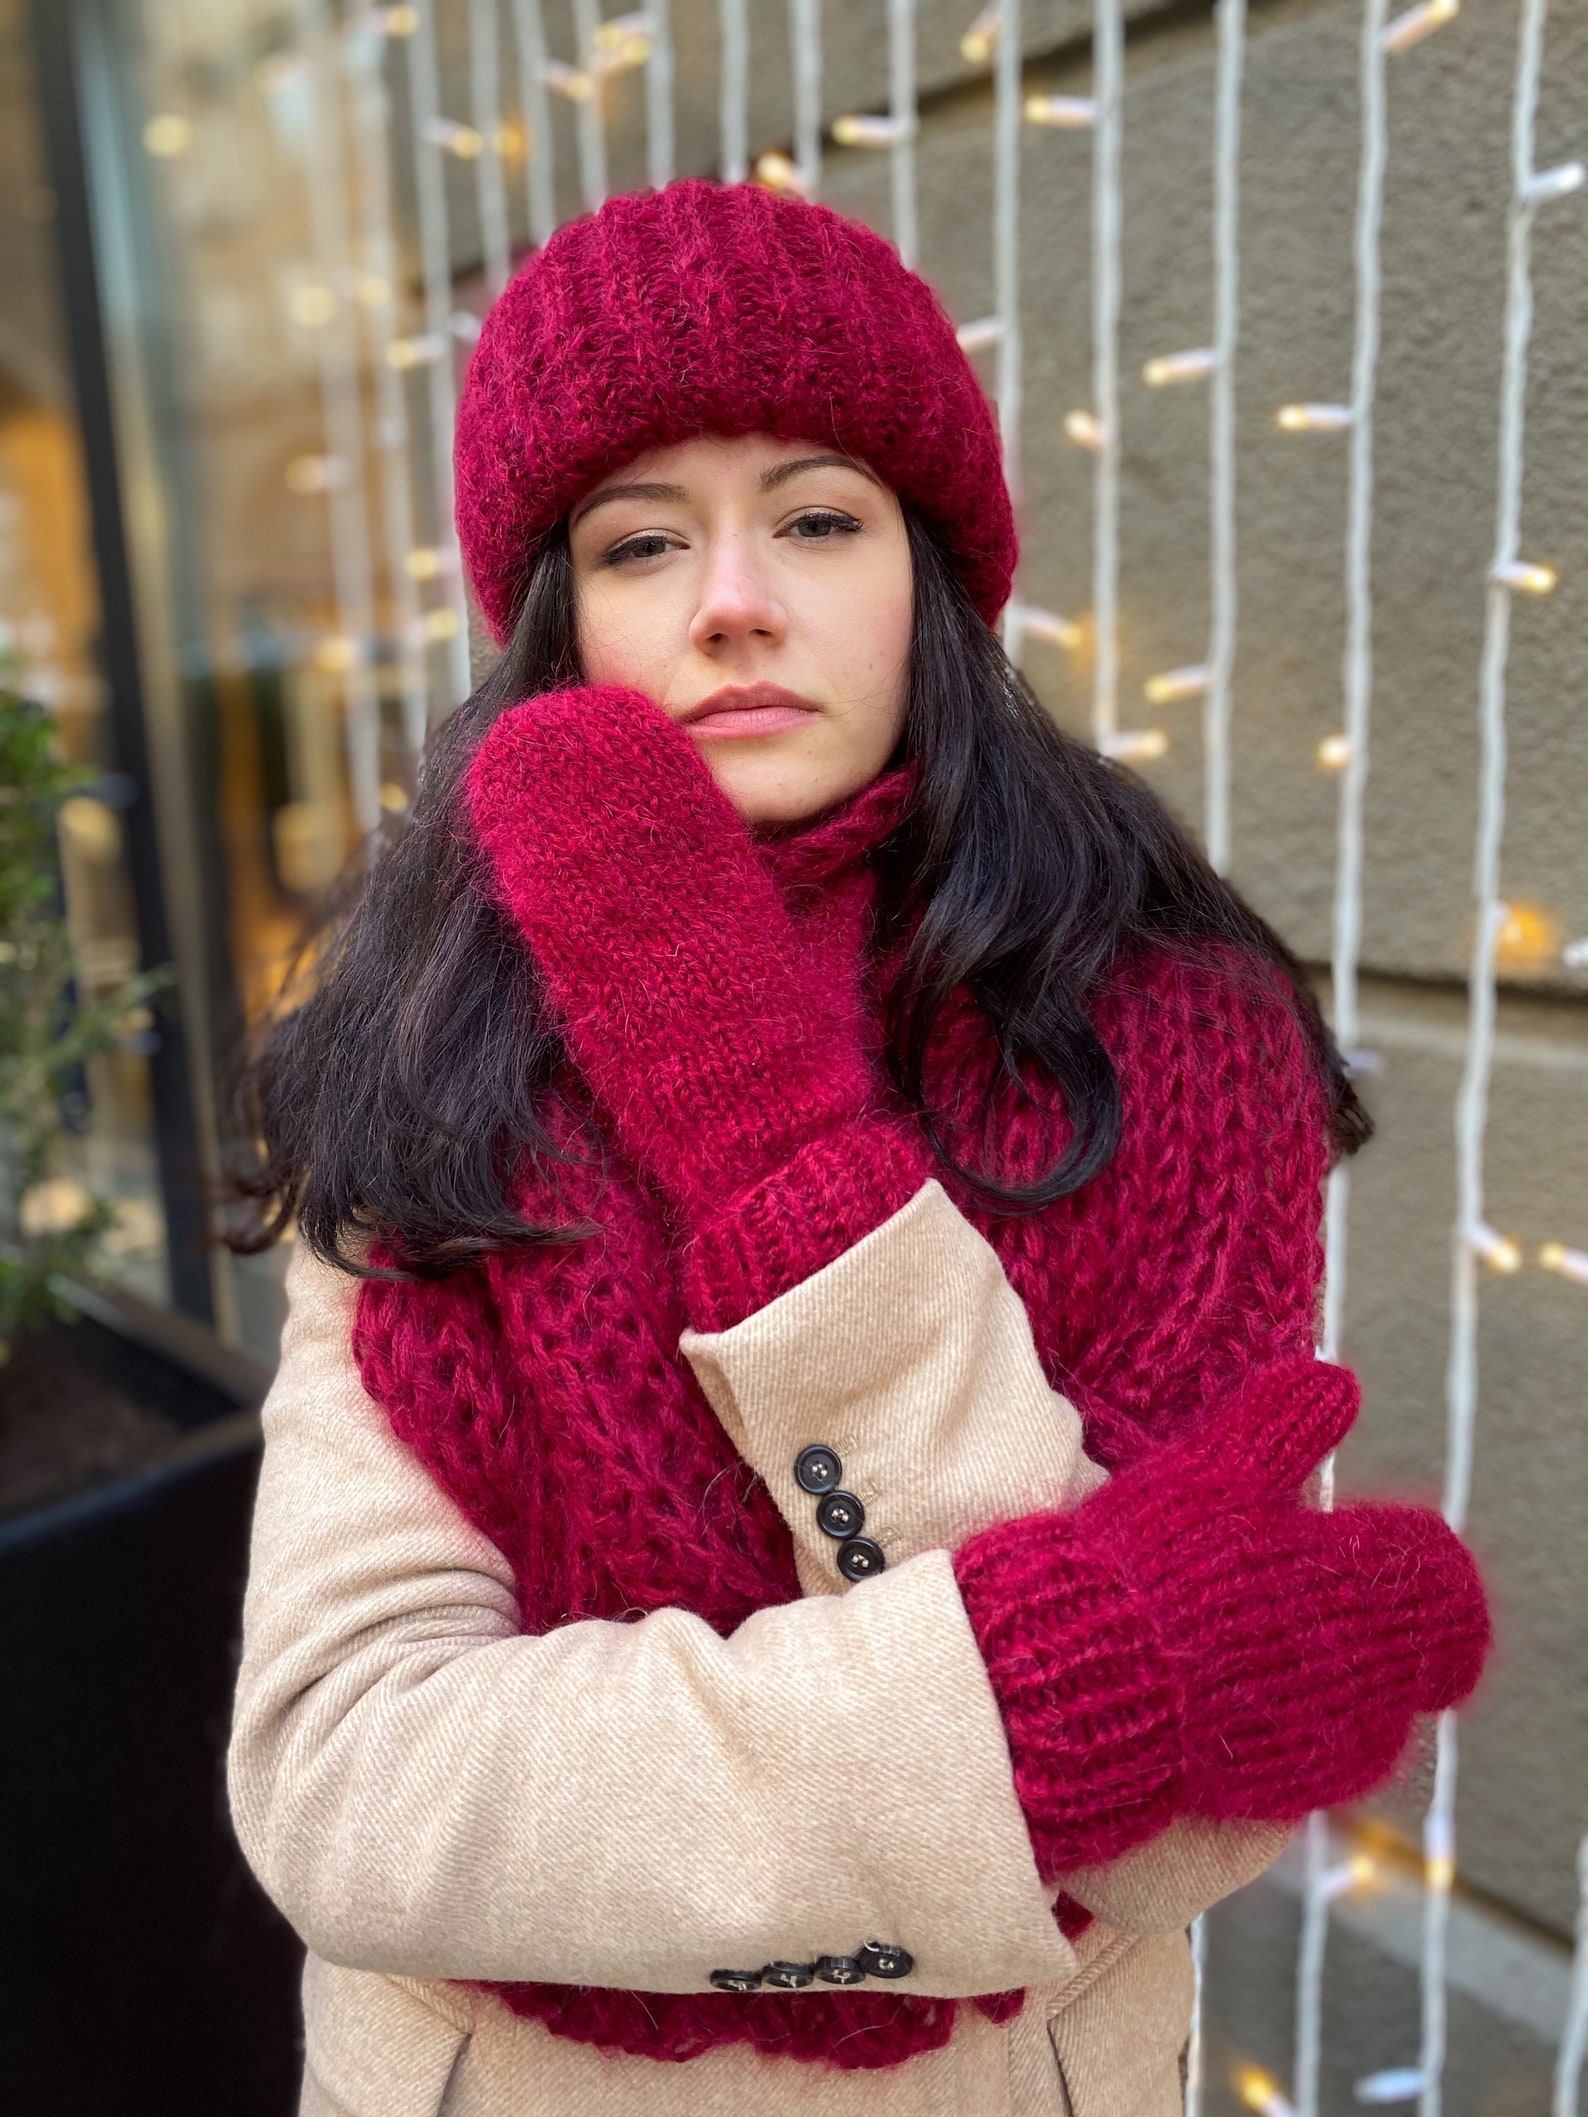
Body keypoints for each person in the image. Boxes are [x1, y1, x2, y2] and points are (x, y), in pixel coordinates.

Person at [225, 180, 1491, 2117]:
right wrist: (1029, 1704)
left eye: (816, 518)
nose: (735, 598)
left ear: (932, 579)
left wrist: (780, 1163)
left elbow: (1174, 1824)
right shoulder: (421, 1041)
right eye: (644, 542)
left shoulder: (1168, 1035)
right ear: (564, 621)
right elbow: (343, 1772)